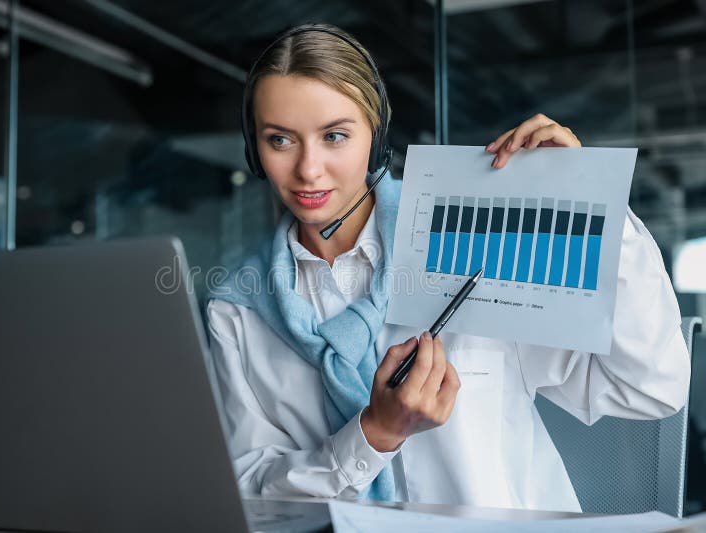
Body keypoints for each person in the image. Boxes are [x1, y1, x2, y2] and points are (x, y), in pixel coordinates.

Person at [205, 23, 690, 511]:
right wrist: (373, 435)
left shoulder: (478, 247)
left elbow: (651, 389)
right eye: (280, 140)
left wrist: (593, 208)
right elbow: (249, 490)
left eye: (334, 136)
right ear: (254, 149)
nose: (309, 169)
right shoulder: (238, 310)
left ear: (375, 137)